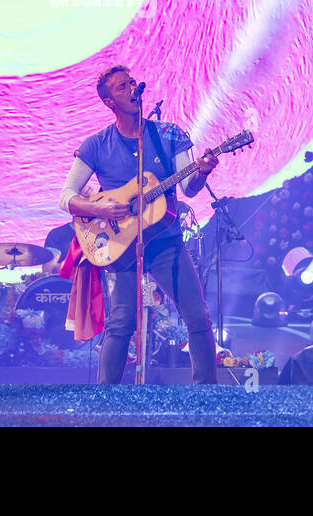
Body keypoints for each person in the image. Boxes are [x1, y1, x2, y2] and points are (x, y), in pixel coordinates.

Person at [59, 65, 219, 384]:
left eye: (131, 82)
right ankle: (106, 401)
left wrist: (201, 172)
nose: (131, 89)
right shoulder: (96, 145)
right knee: (121, 323)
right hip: (120, 245)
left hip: (165, 242)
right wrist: (101, 210)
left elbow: (188, 189)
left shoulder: (168, 135)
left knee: (197, 317)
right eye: (121, 87)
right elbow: (66, 197)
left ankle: (207, 395)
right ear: (109, 102)